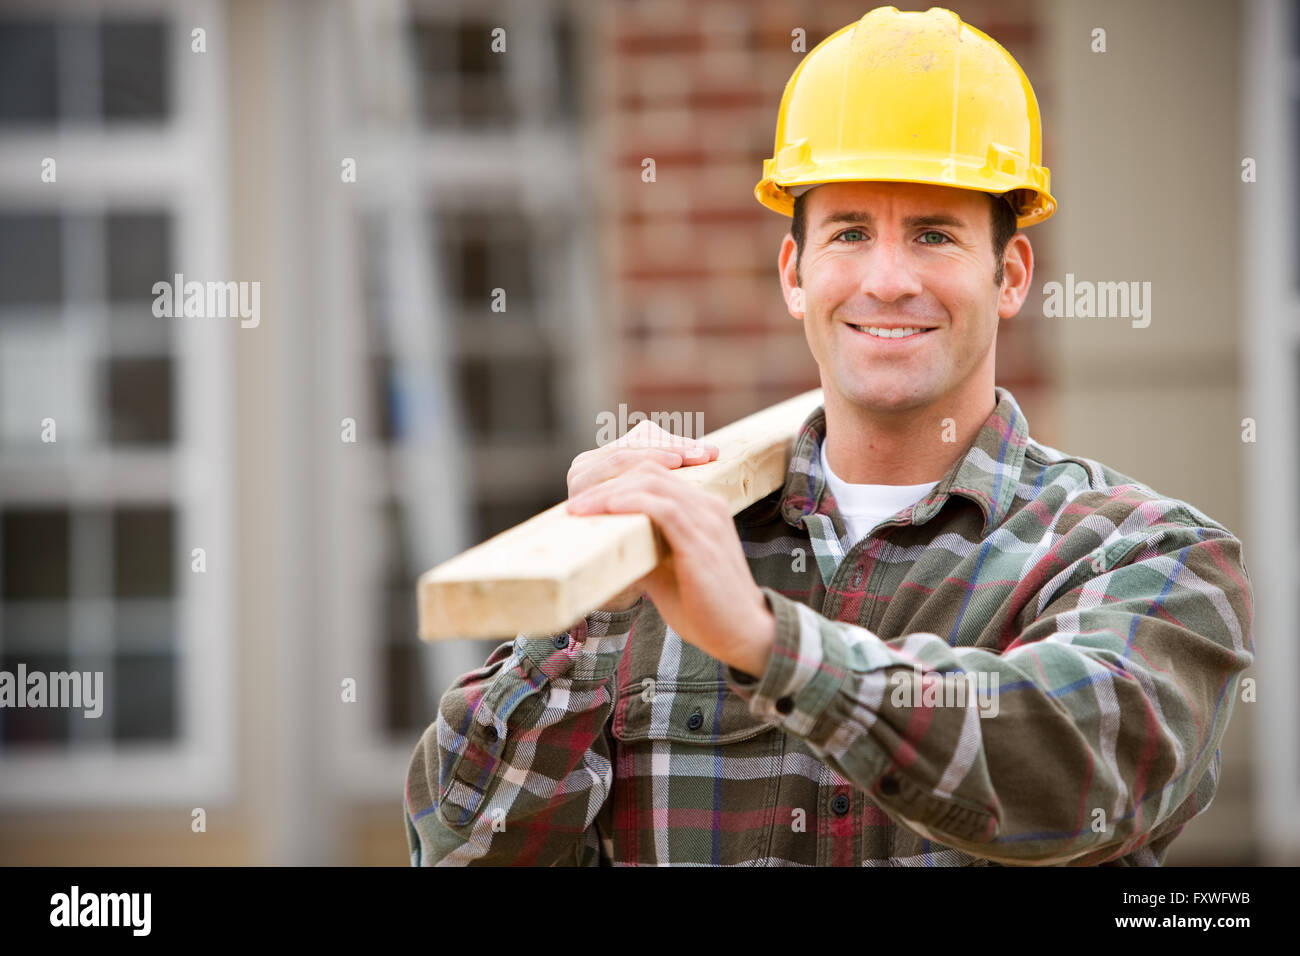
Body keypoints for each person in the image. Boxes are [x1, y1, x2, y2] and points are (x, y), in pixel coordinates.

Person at [404, 6, 1254, 866]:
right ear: (794, 275)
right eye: (850, 233)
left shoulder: (1147, 557)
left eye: (933, 235)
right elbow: (459, 850)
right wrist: (583, 608)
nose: (888, 281)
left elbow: (1081, 776)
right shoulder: (674, 555)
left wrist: (769, 646)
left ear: (1011, 276)